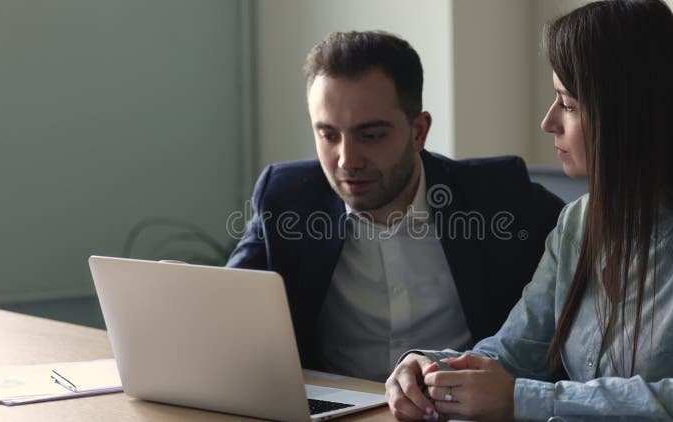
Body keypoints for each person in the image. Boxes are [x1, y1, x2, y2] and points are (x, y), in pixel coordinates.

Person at [385, 0, 673, 420]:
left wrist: (522, 399)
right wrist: (430, 369)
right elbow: (515, 350)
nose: (549, 121)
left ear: (629, 115)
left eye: (568, 104)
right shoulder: (578, 221)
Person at [226, 31, 564, 382]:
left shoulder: (497, 195)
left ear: (419, 131)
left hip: (456, 410)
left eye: (371, 135)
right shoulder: (287, 197)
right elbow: (224, 306)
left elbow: (594, 250)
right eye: (328, 135)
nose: (347, 160)